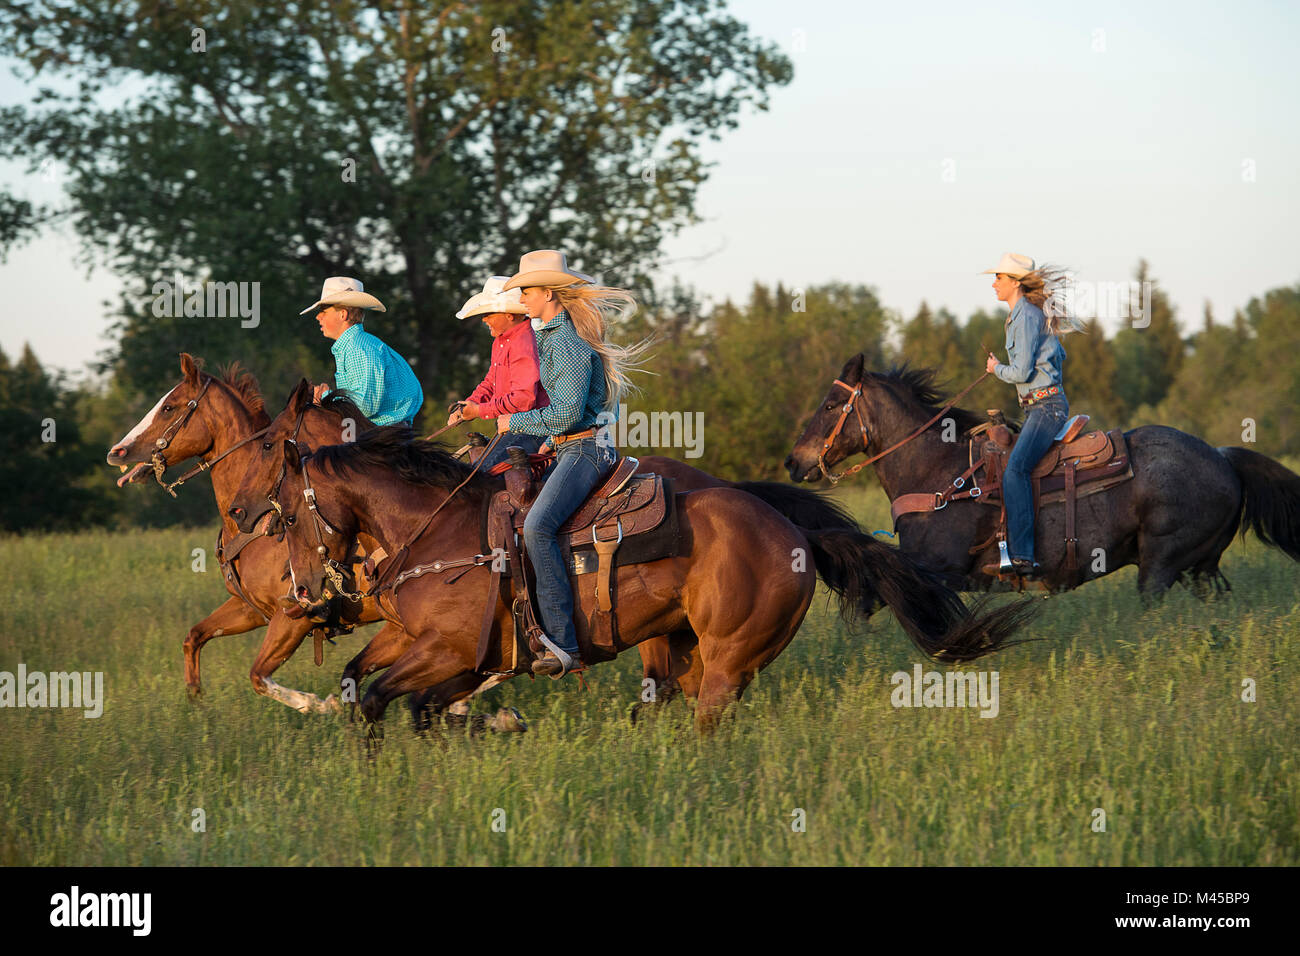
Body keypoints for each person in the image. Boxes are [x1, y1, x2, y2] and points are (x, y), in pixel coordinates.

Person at [496, 249, 650, 676]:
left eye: (526, 290)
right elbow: (573, 414)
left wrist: (512, 420)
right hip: (575, 445)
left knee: (536, 527)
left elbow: (565, 412)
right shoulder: (555, 339)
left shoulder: (564, 343)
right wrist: (548, 440)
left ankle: (562, 642)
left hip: (584, 450)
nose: (521, 299)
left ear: (548, 292)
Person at [980, 253, 1083, 578]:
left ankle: (1023, 555)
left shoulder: (1024, 315)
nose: (994, 283)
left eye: (998, 277)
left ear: (1014, 282)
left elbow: (1022, 371)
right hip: (1038, 406)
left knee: (1015, 470)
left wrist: (996, 369)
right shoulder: (1021, 314)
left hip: (1046, 407)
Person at [447, 276, 550, 471]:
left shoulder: (523, 343)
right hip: (512, 428)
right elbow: (490, 382)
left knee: (479, 477)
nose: (484, 320)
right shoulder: (502, 340)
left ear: (508, 315)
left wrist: (478, 411)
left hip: (531, 430)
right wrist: (469, 404)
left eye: (489, 314)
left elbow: (523, 400)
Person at [301, 276, 423, 427]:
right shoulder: (357, 345)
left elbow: (365, 406)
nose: (318, 317)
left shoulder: (358, 348)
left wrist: (325, 397)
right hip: (382, 431)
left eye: (323, 310)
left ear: (343, 314)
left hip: (383, 434)